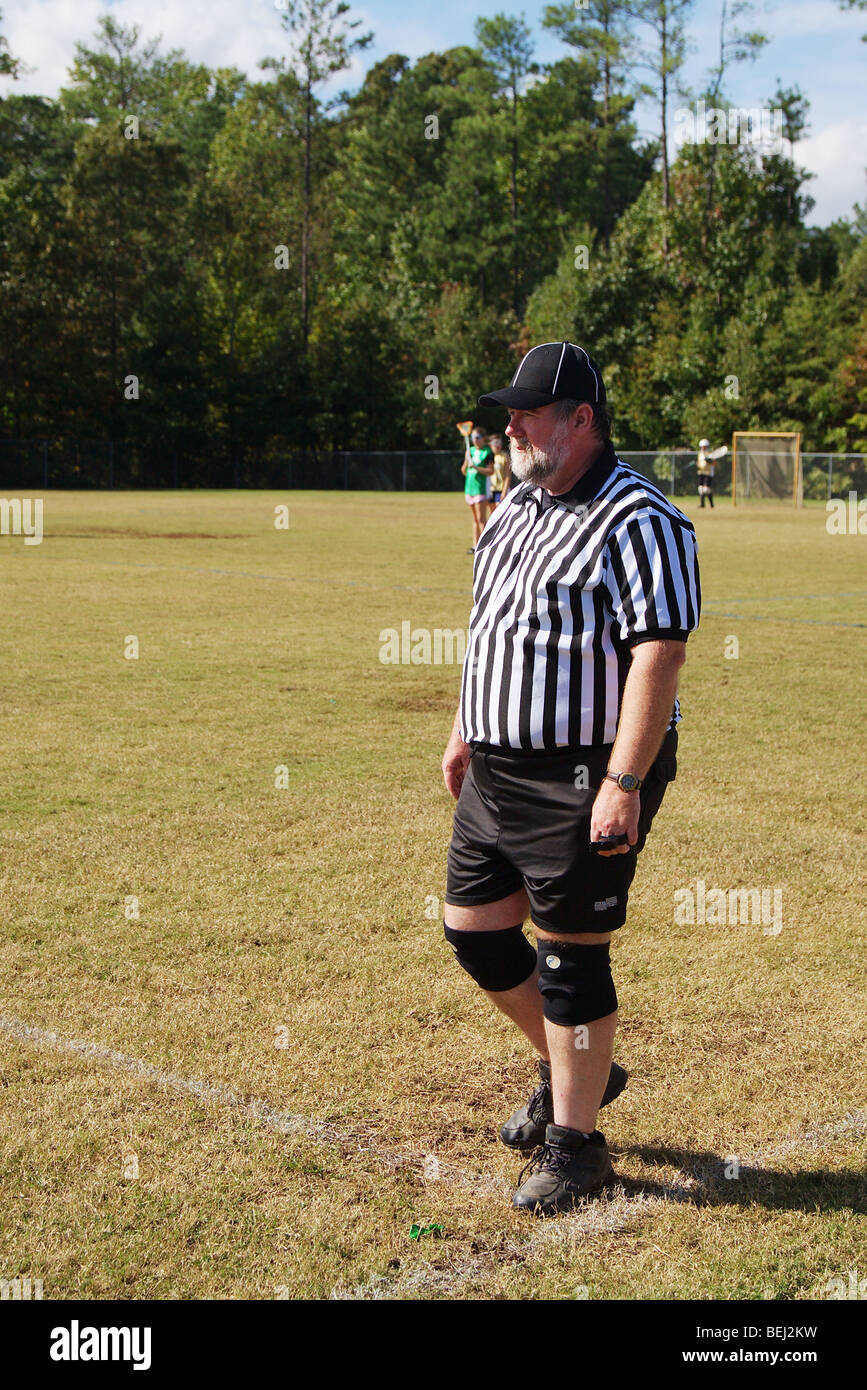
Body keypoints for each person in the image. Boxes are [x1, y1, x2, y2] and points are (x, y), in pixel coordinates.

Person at [441, 341, 701, 1216]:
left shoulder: (640, 519)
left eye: (526, 411)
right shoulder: (514, 506)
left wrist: (623, 782)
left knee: (566, 957)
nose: (507, 426)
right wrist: (462, 729)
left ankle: (577, 1144)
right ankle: (576, 1066)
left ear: (580, 420)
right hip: (497, 763)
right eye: (506, 413)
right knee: (473, 928)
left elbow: (656, 652)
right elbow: (489, 626)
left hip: (585, 770)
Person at [461, 426, 494, 551]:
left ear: (483, 438)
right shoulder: (470, 451)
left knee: (481, 519)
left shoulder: (487, 452)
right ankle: (476, 545)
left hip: (481, 489)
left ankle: (487, 546)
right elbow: (464, 471)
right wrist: (466, 461)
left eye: (477, 437)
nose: (474, 440)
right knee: (475, 519)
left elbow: (490, 471)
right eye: (472, 438)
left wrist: (475, 467)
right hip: (469, 488)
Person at [488, 435, 511, 508]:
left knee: (499, 508)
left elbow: (508, 475)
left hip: (500, 489)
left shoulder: (504, 456)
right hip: (489, 489)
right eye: (495, 443)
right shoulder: (487, 456)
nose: (498, 445)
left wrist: (504, 491)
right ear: (490, 444)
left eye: (499, 443)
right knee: (492, 513)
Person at [696, 438, 715, 509]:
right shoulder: (700, 454)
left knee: (706, 490)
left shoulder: (710, 454)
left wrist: (709, 461)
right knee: (700, 489)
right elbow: (699, 463)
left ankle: (711, 504)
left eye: (704, 447)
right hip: (701, 472)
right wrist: (697, 464)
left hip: (708, 473)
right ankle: (702, 504)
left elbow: (714, 463)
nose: (703, 448)